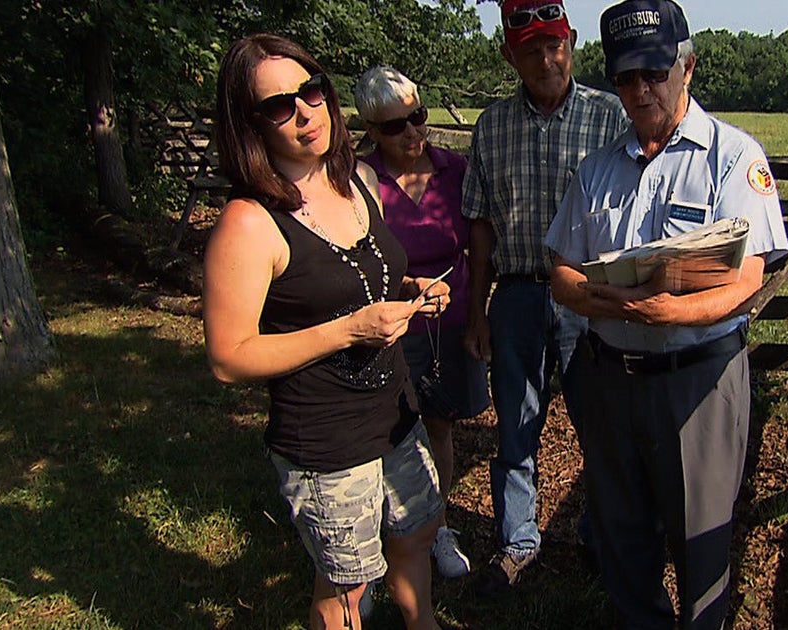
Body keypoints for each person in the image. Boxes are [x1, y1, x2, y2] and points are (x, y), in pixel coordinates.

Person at [543, 1, 788, 627]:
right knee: (622, 536)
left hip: (697, 380)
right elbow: (561, 270)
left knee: (700, 541)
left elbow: (748, 280)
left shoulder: (732, 157)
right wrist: (595, 298)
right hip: (610, 380)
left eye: (654, 73)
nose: (640, 91)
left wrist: (669, 313)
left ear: (688, 67)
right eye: (626, 78)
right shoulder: (597, 170)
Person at [206, 33, 451, 630]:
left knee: (417, 534)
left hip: (395, 412)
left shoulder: (357, 181)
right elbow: (228, 357)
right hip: (324, 435)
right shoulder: (249, 222)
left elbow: (361, 277)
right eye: (278, 105)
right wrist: (348, 331)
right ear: (250, 124)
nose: (304, 112)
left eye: (311, 91)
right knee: (347, 586)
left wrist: (412, 289)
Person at [461, 0, 628, 596]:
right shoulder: (492, 125)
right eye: (530, 50)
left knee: (600, 423)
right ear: (510, 56)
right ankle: (517, 542)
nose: (545, 59)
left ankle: (599, 534)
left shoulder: (610, 117)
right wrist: (478, 312)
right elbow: (481, 224)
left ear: (572, 42)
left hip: (589, 294)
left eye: (553, 45)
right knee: (516, 425)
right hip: (518, 294)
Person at [354, 66, 491, 580]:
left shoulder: (455, 169)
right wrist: (406, 289)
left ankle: (437, 527)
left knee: (440, 427)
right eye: (396, 126)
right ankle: (379, 540)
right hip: (389, 327)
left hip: (449, 323)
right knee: (385, 434)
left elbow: (480, 243)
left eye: (418, 117)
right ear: (372, 131)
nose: (413, 132)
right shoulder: (361, 180)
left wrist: (477, 315)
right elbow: (357, 260)